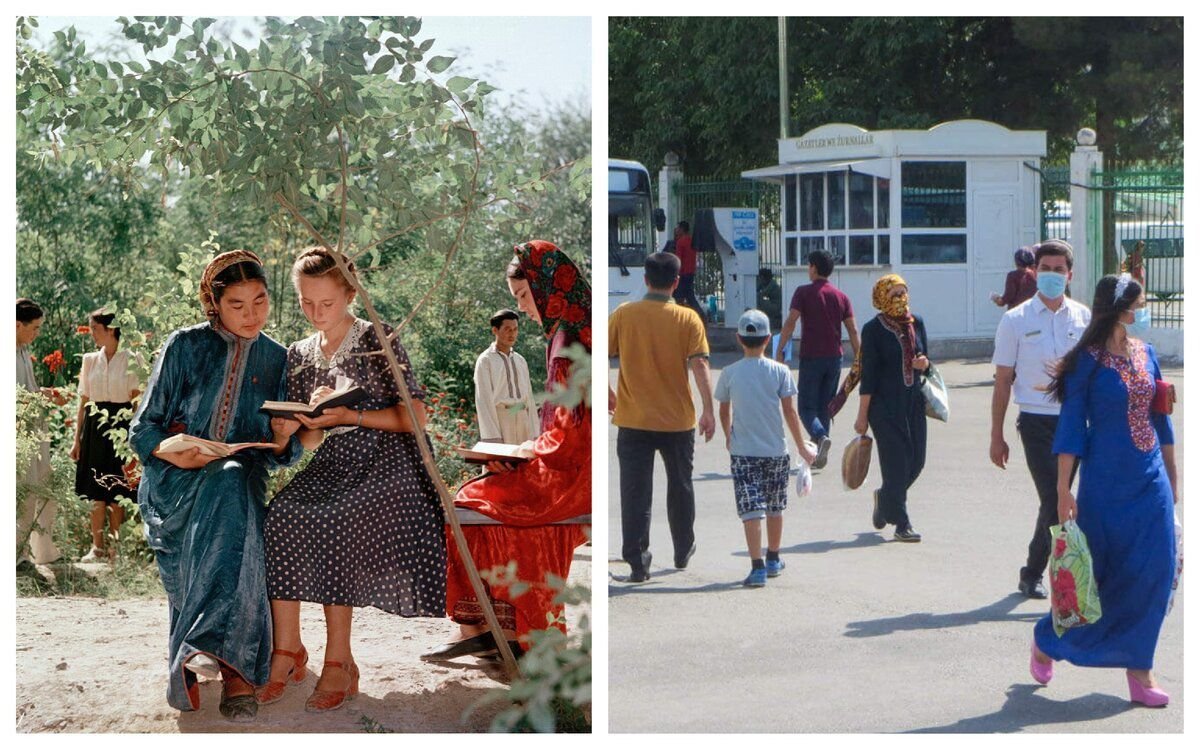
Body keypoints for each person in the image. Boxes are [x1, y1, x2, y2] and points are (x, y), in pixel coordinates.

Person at [261, 247, 445, 710]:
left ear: (349, 293)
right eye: (306, 303)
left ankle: (339, 660)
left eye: (327, 302)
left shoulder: (375, 338)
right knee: (281, 514)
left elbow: (417, 415)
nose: (317, 312)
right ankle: (288, 650)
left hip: (390, 463)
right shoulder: (300, 354)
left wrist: (354, 415)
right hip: (336, 463)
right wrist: (289, 432)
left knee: (333, 518)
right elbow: (311, 441)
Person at [129, 250, 302, 721]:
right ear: (214, 304)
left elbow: (285, 450)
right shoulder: (184, 345)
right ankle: (236, 672)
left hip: (240, 478)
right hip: (176, 482)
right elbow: (144, 428)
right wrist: (173, 449)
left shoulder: (277, 358)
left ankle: (216, 658)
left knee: (231, 489)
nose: (252, 315)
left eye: (260, 302)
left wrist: (285, 438)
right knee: (230, 504)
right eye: (237, 305)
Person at [427, 240, 591, 659]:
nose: (524, 310)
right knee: (481, 491)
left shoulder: (565, 341)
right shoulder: (569, 331)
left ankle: (487, 625)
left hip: (568, 474)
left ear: (546, 288)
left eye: (524, 297)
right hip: (568, 464)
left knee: (470, 498)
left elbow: (569, 436)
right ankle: (494, 625)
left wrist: (530, 452)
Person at [1030, 273, 1178, 708]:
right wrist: (1062, 489)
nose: (1144, 310)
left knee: (1156, 572)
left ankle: (1140, 669)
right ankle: (1046, 639)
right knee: (1101, 578)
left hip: (1150, 481)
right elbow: (1072, 429)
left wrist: (1173, 477)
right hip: (1106, 485)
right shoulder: (1087, 364)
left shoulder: (1145, 353)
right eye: (1140, 303)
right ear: (1120, 308)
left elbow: (1162, 418)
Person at [990, 240, 1091, 599]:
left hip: (1074, 422)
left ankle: (1036, 572)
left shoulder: (1084, 318)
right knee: (1053, 497)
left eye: (1058, 270)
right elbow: (1003, 380)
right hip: (1034, 421)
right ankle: (1041, 574)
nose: (1051, 275)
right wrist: (996, 435)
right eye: (1045, 269)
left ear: (1069, 274)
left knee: (1057, 501)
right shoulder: (1015, 320)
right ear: (1035, 272)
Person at [610, 251, 715, 582]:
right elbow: (700, 365)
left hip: (633, 419)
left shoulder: (624, 314)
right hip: (677, 421)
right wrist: (709, 410)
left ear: (644, 280)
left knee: (635, 492)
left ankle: (638, 564)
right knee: (681, 485)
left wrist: (604, 391)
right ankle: (683, 548)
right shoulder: (688, 319)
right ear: (676, 282)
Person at [715, 309, 816, 587]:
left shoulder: (729, 373)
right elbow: (790, 413)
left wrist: (728, 435)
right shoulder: (781, 371)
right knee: (775, 506)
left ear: (738, 339)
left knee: (750, 510)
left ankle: (757, 566)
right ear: (768, 338)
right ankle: (773, 557)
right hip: (776, 451)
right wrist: (802, 447)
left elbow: (724, 410)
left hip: (743, 451)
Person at [852, 274, 930, 543]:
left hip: (913, 402)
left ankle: (885, 498)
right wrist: (862, 416)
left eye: (903, 293)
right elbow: (869, 376)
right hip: (884, 407)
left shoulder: (916, 322)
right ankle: (902, 523)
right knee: (896, 464)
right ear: (882, 298)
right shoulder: (872, 330)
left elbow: (926, 360)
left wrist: (925, 364)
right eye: (895, 294)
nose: (901, 299)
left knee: (917, 461)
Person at [775, 249, 860, 469]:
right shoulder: (842, 297)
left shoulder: (803, 292)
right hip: (835, 358)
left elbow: (791, 321)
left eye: (808, 266)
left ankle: (821, 437)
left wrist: (780, 348)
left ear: (813, 267)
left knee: (805, 408)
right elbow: (852, 330)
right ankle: (818, 455)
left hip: (812, 357)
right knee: (825, 406)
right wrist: (860, 359)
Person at [69, 309, 142, 562]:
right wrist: (76, 439)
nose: (92, 335)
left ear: (111, 329)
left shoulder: (133, 358)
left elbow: (136, 402)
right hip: (94, 424)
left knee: (118, 488)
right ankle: (96, 547)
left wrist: (135, 439)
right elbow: (84, 401)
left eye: (95, 329)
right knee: (94, 490)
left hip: (121, 424)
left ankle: (114, 549)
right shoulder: (90, 360)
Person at [16, 298, 63, 567]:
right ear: (16, 325)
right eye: (34, 328)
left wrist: (42, 394)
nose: (37, 333)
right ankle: (17, 555)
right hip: (19, 432)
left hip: (35, 430)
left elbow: (26, 390)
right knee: (23, 490)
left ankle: (42, 550)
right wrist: (37, 397)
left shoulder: (22, 350)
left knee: (43, 486)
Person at [473, 308, 539, 444]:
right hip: (501, 421)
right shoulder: (485, 360)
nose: (512, 334)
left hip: (523, 420)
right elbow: (483, 401)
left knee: (525, 464)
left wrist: (535, 432)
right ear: (495, 330)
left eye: (515, 329)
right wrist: (492, 438)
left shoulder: (520, 360)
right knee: (502, 464)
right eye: (507, 329)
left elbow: (530, 399)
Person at [670, 220, 707, 322]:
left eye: (677, 228)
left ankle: (678, 318)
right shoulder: (691, 240)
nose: (676, 230)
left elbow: (678, 259)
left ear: (681, 229)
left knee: (678, 297)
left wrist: (675, 273)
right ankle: (700, 316)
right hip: (690, 272)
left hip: (682, 273)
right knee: (689, 296)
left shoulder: (680, 242)